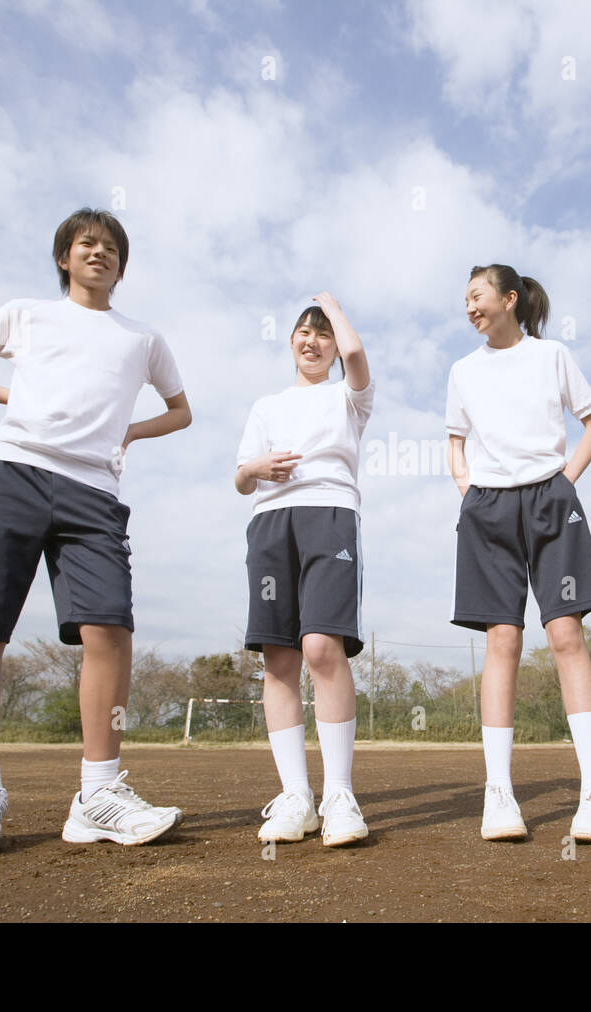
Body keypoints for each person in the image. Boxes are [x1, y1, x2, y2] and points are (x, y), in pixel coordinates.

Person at [0, 208, 192, 855]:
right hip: (9, 475)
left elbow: (181, 411)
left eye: (110, 248)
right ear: (65, 258)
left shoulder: (143, 340)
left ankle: (98, 795)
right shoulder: (25, 314)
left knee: (109, 629)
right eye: (86, 244)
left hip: (94, 494)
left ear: (122, 266)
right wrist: (9, 399)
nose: (98, 253)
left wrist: (131, 429)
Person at [447, 264, 591, 844]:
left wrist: (564, 480)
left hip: (551, 498)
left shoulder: (553, 355)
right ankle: (499, 794)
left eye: (478, 295)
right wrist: (468, 490)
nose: (470, 307)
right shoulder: (462, 370)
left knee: (566, 634)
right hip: (488, 509)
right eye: (465, 299)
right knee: (504, 639)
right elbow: (455, 441)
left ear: (509, 298)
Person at [236, 293, 374, 847]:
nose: (312, 340)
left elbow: (358, 353)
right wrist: (256, 467)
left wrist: (333, 306)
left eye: (323, 334)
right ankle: (297, 796)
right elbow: (241, 478)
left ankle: (339, 793)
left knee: (321, 647)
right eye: (303, 331)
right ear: (290, 341)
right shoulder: (266, 405)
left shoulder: (350, 397)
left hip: (330, 517)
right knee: (279, 657)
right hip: (270, 523)